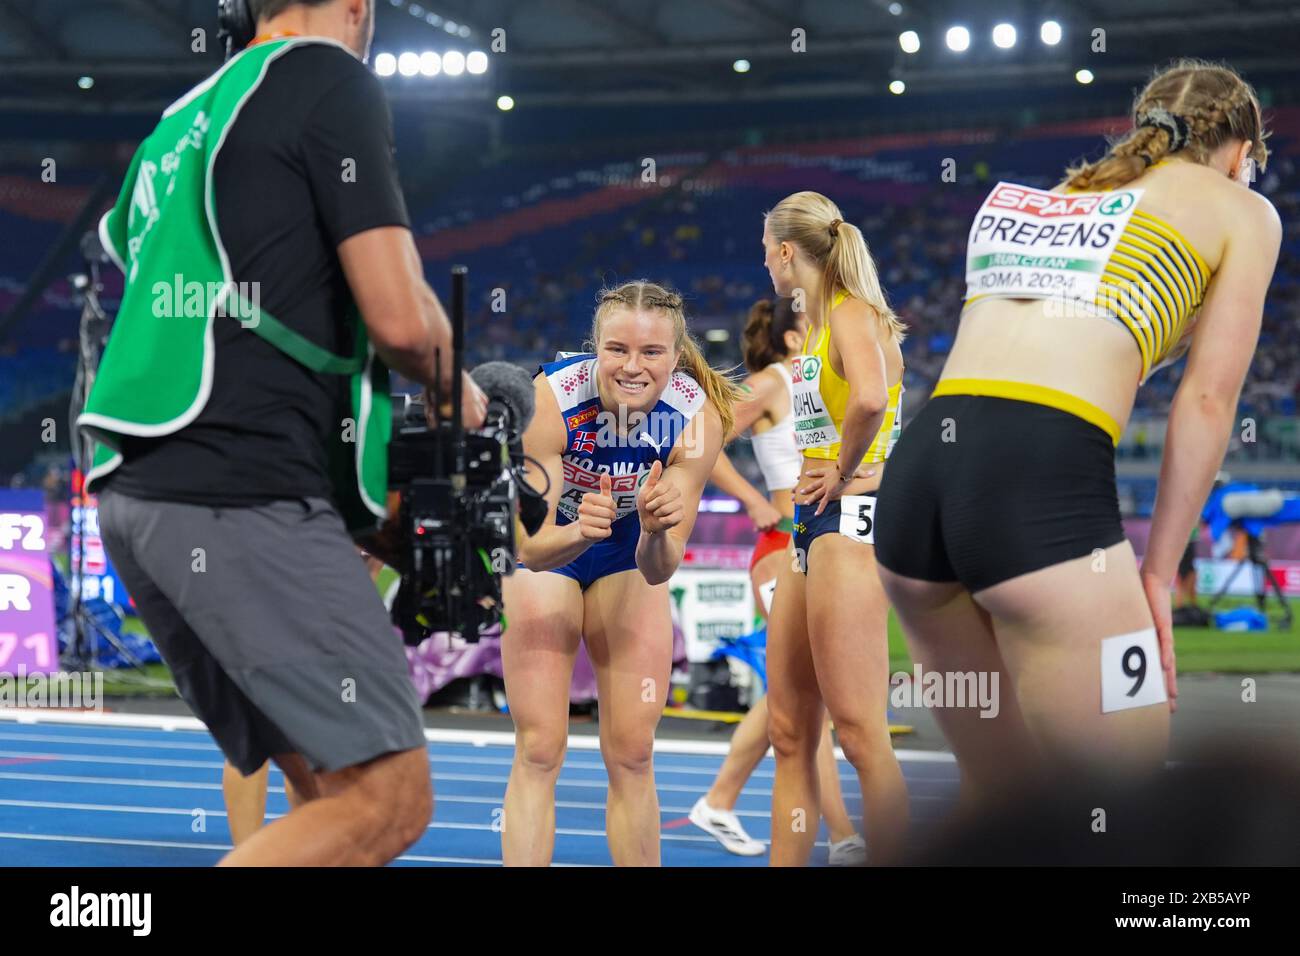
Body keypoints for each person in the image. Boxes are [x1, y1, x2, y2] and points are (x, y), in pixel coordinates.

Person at [78, 0, 486, 866]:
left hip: (138, 480)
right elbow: (403, 323)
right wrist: (463, 398)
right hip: (235, 482)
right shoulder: (324, 73)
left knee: (328, 792)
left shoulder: (178, 121)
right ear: (358, 8)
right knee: (387, 798)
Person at [874, 59, 1281, 806]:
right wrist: (1158, 575)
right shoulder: (1240, 209)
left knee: (1002, 808)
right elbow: (1208, 403)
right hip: (1033, 477)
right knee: (1117, 811)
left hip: (922, 479)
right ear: (1239, 151)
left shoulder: (1066, 193)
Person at [500, 279, 744, 866]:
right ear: (595, 348)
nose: (632, 368)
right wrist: (580, 529)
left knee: (633, 752)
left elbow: (661, 571)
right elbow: (529, 549)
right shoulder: (551, 399)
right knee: (540, 747)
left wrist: (660, 528)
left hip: (630, 553)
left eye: (651, 353)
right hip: (556, 545)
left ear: (676, 357)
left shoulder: (696, 413)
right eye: (617, 350)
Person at [761, 191, 911, 866]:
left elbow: (874, 398)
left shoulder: (852, 312)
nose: (766, 264)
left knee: (858, 734)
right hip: (809, 526)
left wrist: (845, 473)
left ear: (787, 252)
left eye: (767, 251)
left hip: (851, 519)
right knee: (790, 729)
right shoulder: (818, 327)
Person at [690, 298, 866, 864]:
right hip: (781, 547)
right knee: (806, 699)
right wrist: (749, 500)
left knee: (795, 694)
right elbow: (704, 437)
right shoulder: (773, 382)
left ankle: (718, 802)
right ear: (795, 339)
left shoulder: (821, 381)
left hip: (826, 540)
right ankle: (843, 836)